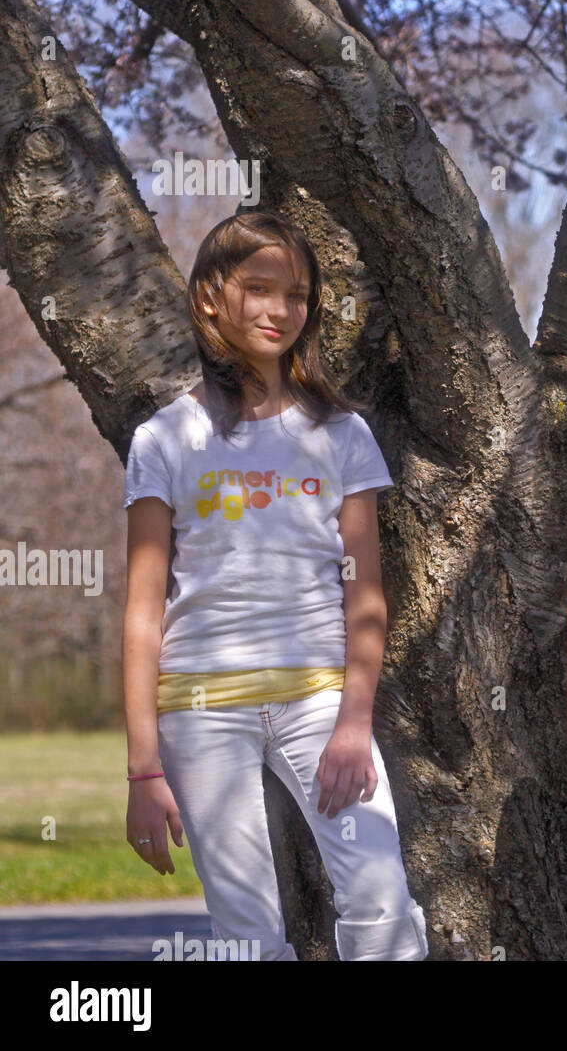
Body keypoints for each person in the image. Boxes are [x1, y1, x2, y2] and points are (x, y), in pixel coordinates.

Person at [121, 211, 428, 960]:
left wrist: (355, 721)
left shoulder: (341, 435)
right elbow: (141, 612)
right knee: (246, 937)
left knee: (382, 905)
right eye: (258, 289)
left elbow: (365, 593)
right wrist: (142, 768)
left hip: (319, 700)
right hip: (198, 710)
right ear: (208, 298)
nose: (279, 310)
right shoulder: (165, 438)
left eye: (295, 295)